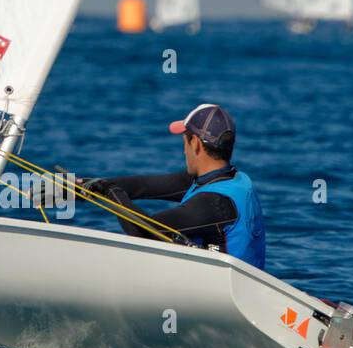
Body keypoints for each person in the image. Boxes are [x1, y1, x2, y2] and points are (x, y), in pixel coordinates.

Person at [80, 103, 266, 269]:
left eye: (184, 140)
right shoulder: (233, 180)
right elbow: (142, 186)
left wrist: (110, 192)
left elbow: (143, 232)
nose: (183, 149)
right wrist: (81, 186)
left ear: (195, 144)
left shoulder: (215, 204)